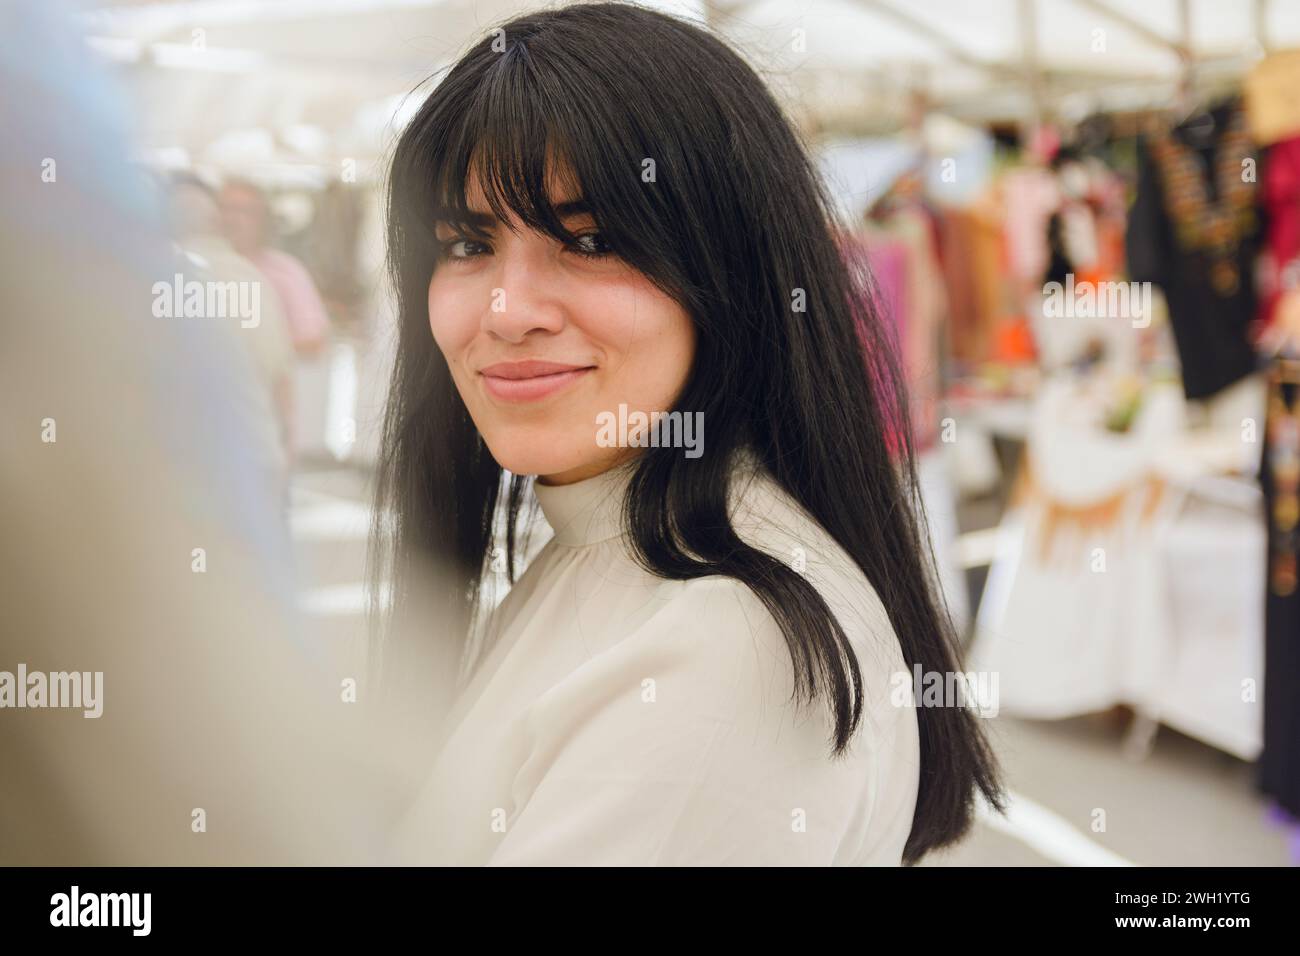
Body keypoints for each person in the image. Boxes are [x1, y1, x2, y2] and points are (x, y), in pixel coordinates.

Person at [373, 2, 1003, 866]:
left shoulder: (726, 646)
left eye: (589, 239)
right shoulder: (621, 542)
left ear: (734, 269)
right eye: (464, 243)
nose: (507, 311)